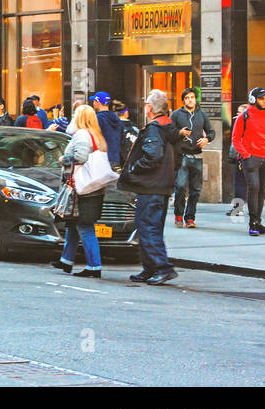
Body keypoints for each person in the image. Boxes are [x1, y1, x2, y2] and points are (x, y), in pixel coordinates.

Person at [119, 88, 180, 285]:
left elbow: (153, 156)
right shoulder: (167, 127)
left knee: (147, 227)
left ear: (149, 108)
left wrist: (134, 168)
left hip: (151, 186)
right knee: (150, 227)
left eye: (146, 104)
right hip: (160, 186)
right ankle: (150, 268)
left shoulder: (154, 128)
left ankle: (162, 267)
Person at [53, 104, 109, 279]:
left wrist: (64, 158)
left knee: (84, 226)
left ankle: (94, 266)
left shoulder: (82, 135)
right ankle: (66, 260)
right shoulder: (96, 135)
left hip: (81, 188)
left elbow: (81, 157)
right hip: (94, 187)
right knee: (73, 224)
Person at [230, 87, 265, 236]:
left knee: (261, 191)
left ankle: (258, 222)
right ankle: (253, 223)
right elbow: (236, 139)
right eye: (262, 98)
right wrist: (246, 155)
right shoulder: (245, 116)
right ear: (253, 100)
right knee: (254, 188)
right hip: (251, 159)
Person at [170, 88, 213, 228]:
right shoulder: (176, 114)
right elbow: (168, 133)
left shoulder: (202, 114)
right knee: (181, 187)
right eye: (187, 97)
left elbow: (212, 132)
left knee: (195, 189)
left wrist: (207, 139)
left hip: (197, 156)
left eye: (192, 97)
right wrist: (179, 132)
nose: (190, 100)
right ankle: (178, 215)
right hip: (181, 156)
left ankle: (190, 218)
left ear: (195, 99)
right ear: (183, 100)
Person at [227, 103, 265, 217]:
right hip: (255, 157)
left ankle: (238, 209)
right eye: (237, 112)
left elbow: (237, 140)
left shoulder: (243, 122)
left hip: (244, 158)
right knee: (257, 185)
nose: (237, 114)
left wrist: (244, 155)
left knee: (240, 183)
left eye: (240, 112)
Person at [89, 92, 124, 171]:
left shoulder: (97, 119)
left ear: (98, 103)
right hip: (116, 159)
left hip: (102, 160)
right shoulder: (117, 118)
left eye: (94, 101)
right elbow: (122, 139)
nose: (93, 104)